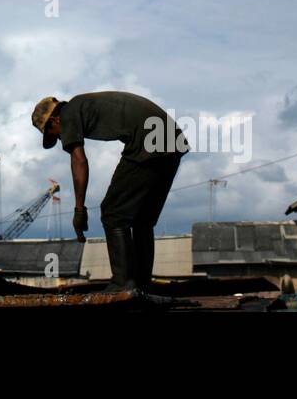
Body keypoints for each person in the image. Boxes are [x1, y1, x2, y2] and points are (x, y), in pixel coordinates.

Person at [32, 91, 187, 296]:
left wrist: (79, 210)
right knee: (142, 220)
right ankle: (141, 283)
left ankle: (123, 283)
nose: (60, 137)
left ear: (54, 120)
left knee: (113, 213)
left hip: (149, 140)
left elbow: (79, 161)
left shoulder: (68, 114)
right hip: (172, 140)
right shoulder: (83, 105)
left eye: (54, 133)